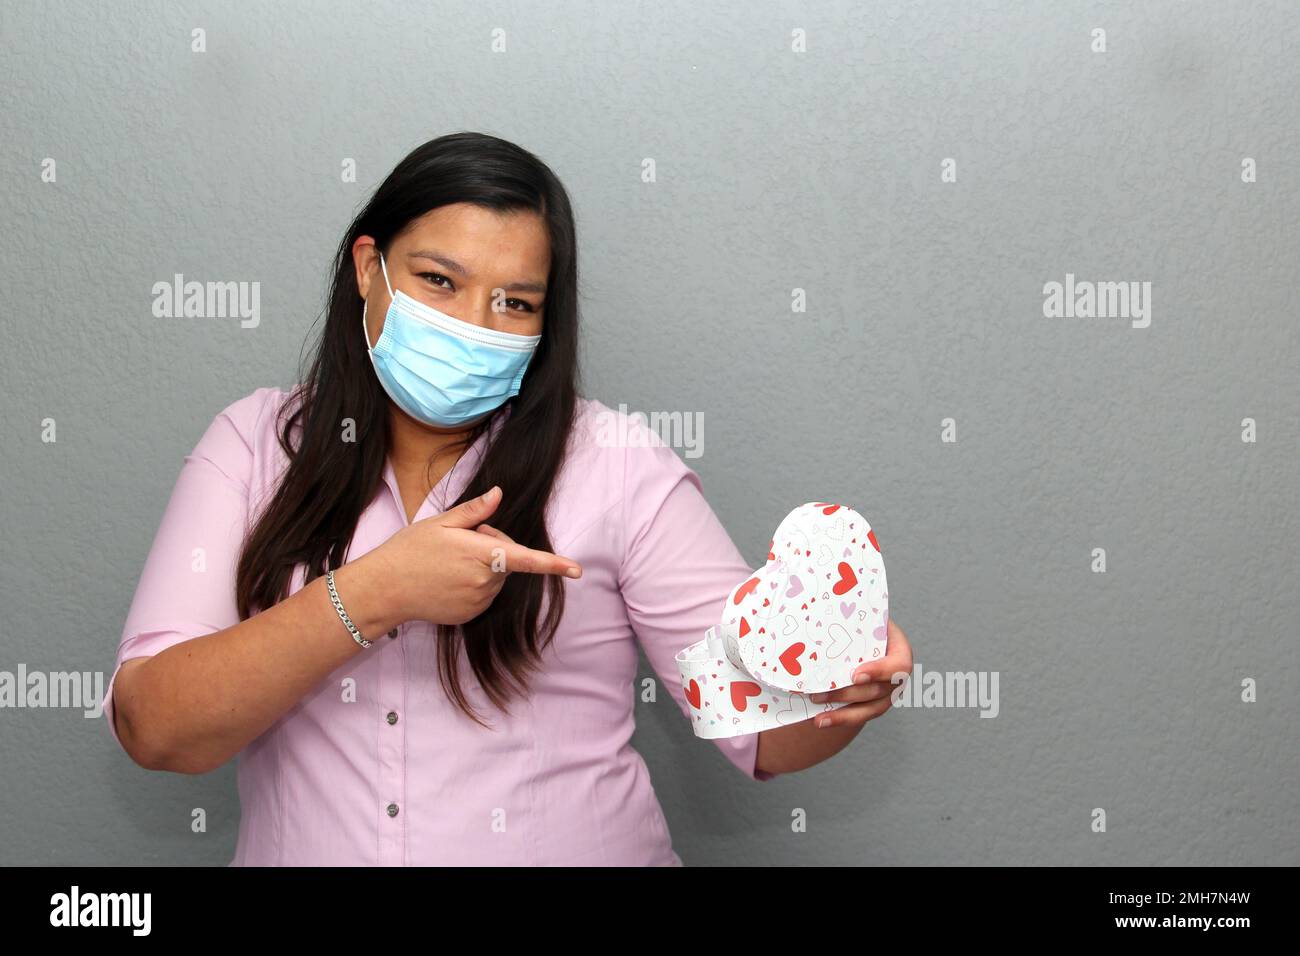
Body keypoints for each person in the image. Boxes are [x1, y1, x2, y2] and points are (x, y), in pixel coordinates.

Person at [104, 130, 913, 865]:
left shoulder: (616, 464)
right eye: (439, 281)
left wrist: (836, 679)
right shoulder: (253, 446)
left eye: (514, 302)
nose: (473, 324)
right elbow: (155, 726)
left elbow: (765, 733)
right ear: (367, 269)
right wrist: (372, 592)